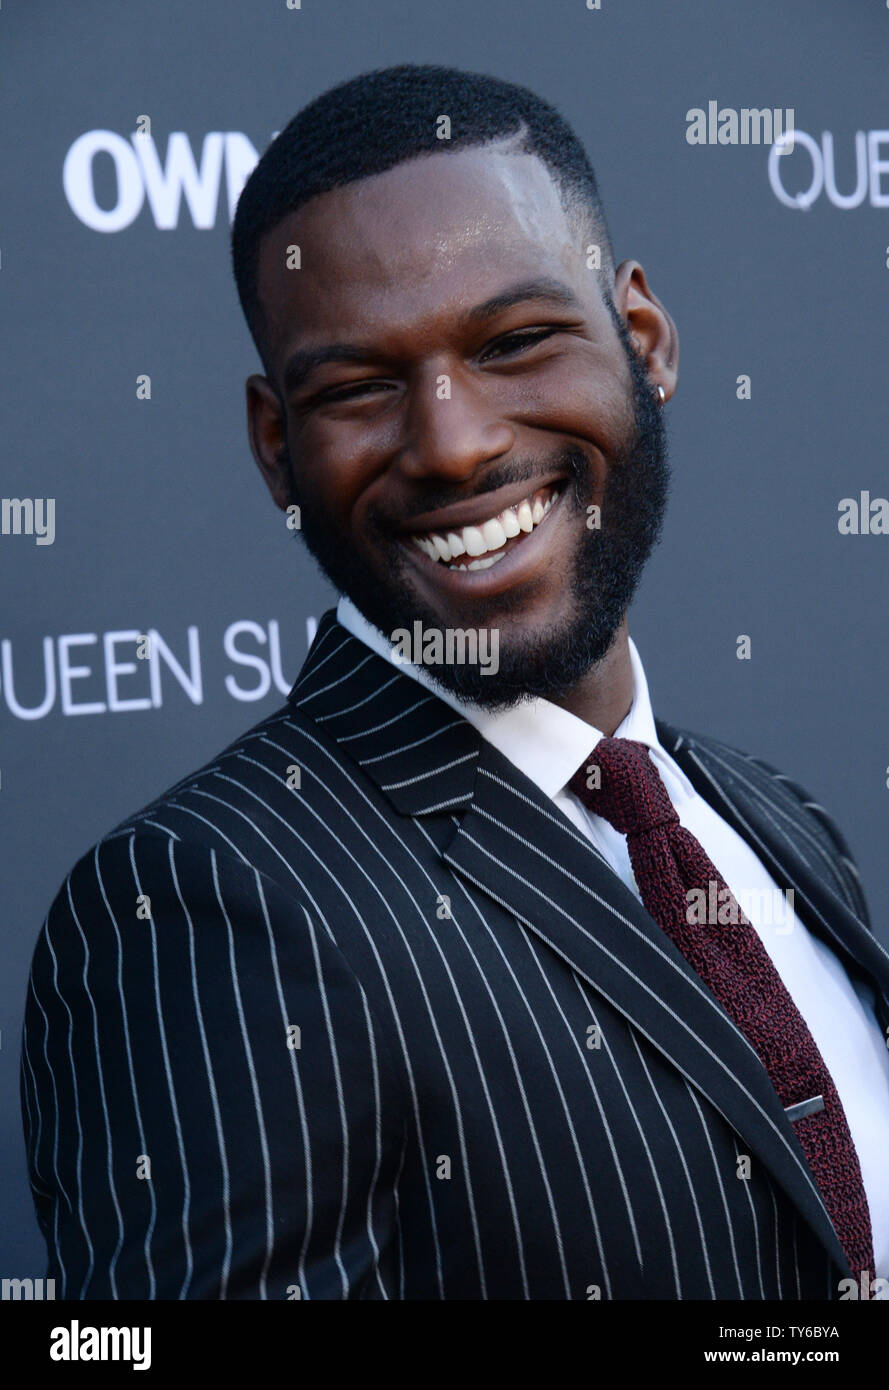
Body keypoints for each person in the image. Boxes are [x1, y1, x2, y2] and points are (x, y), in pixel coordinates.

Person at [21, 64, 889, 1301]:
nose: (454, 442)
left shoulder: (776, 822)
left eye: (516, 340)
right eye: (359, 388)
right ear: (279, 447)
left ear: (641, 341)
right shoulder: (209, 906)